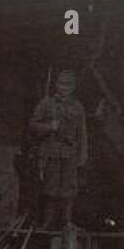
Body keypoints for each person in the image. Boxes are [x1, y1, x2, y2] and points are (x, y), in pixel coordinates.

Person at [28, 68, 88, 230]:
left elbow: (82, 133)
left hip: (70, 154)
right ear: (56, 84)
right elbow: (33, 126)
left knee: (69, 189)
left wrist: (82, 156)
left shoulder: (77, 107)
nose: (64, 88)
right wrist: (49, 127)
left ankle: (66, 221)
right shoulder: (46, 104)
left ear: (73, 87)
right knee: (50, 188)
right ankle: (48, 222)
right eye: (61, 84)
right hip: (51, 153)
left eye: (68, 85)